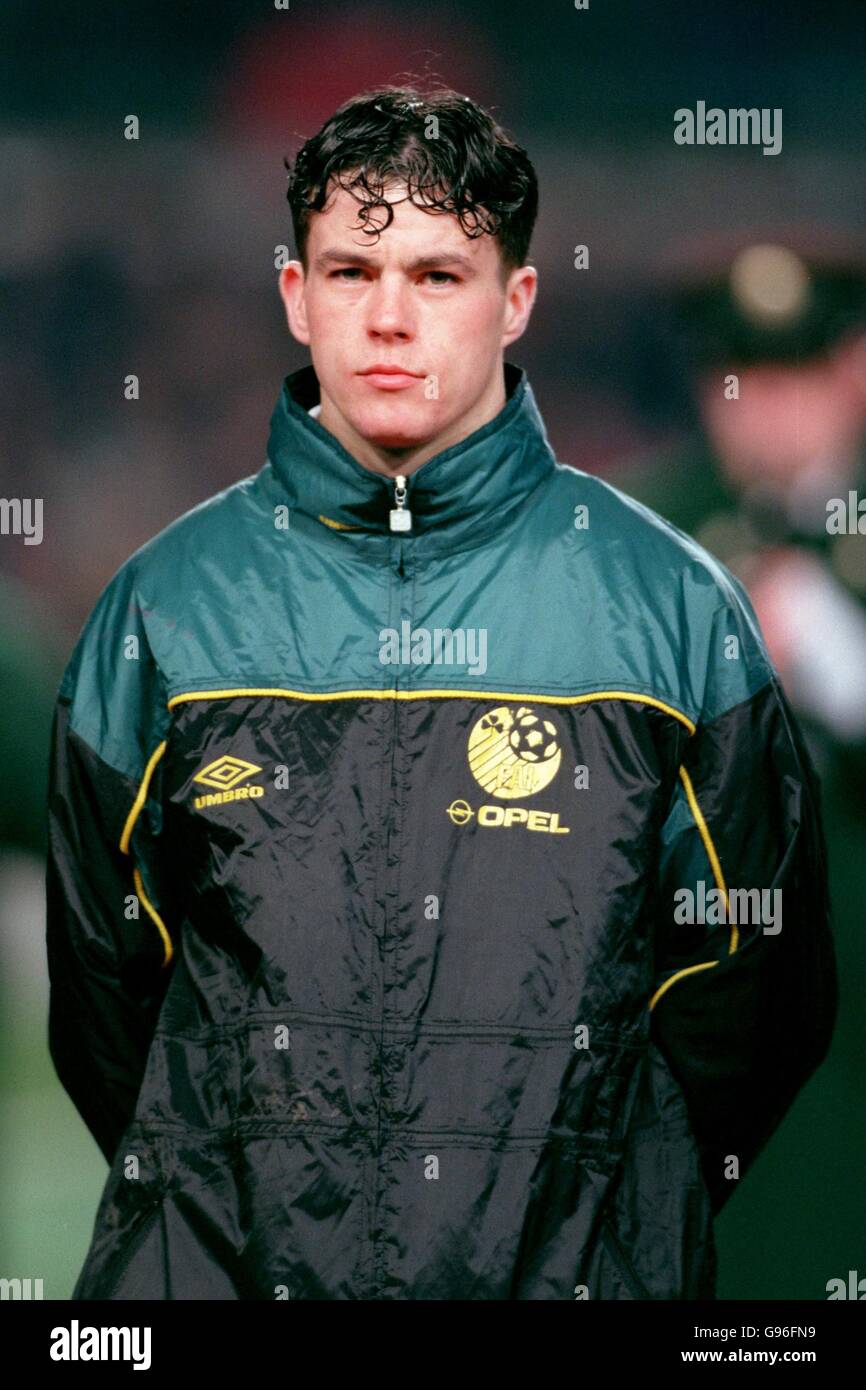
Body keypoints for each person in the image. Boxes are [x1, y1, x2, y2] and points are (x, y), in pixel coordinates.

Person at [45, 84, 837, 1302]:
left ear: (514, 300)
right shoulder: (164, 612)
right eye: (352, 272)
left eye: (436, 275)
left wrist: (593, 1199)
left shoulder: (672, 615)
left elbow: (757, 994)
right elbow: (104, 997)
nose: (388, 319)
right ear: (295, 296)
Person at [616, 229, 866, 1298]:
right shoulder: (643, 526)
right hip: (690, 990)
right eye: (738, 377)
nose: (761, 406)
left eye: (792, 373)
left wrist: (831, 661)